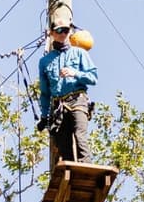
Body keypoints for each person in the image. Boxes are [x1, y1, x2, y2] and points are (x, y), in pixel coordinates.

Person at [37, 22, 98, 163]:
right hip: (59, 105)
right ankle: (69, 172)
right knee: (63, 143)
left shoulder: (79, 53)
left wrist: (74, 73)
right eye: (59, 31)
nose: (63, 34)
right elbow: (45, 92)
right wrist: (44, 116)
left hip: (77, 99)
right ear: (51, 33)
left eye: (66, 30)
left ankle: (85, 167)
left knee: (79, 135)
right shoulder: (45, 61)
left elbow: (93, 78)